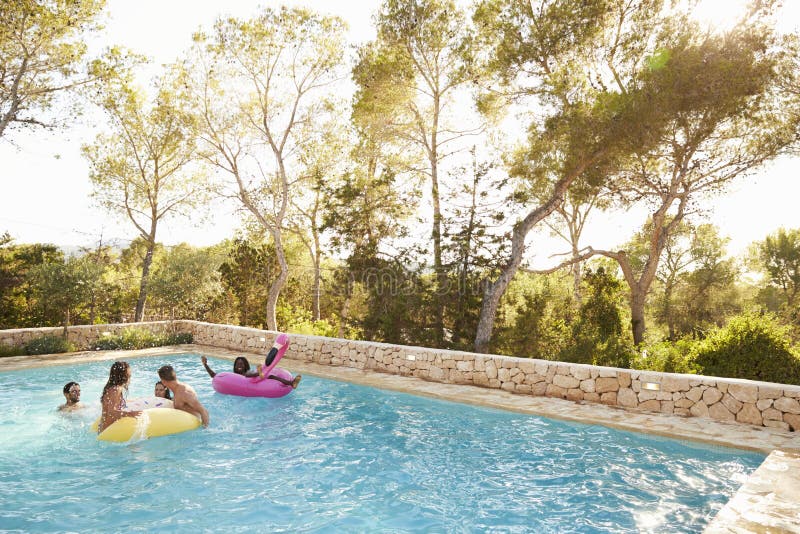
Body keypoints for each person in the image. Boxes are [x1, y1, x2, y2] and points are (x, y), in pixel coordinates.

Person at [200, 337, 301, 389]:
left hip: (252, 376)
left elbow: (248, 374)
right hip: (252, 377)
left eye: (241, 364)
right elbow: (214, 375)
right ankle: (260, 373)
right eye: (237, 364)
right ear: (235, 366)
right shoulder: (232, 376)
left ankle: (290, 383)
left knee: (269, 376)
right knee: (252, 375)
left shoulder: (247, 372)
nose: (239, 365)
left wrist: (259, 373)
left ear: (245, 365)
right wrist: (205, 365)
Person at [98, 361, 142, 433]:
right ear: (123, 375)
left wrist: (135, 400)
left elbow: (115, 404)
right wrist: (130, 414)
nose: (130, 375)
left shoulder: (111, 388)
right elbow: (111, 413)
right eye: (129, 374)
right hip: (108, 432)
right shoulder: (116, 389)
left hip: (104, 429)